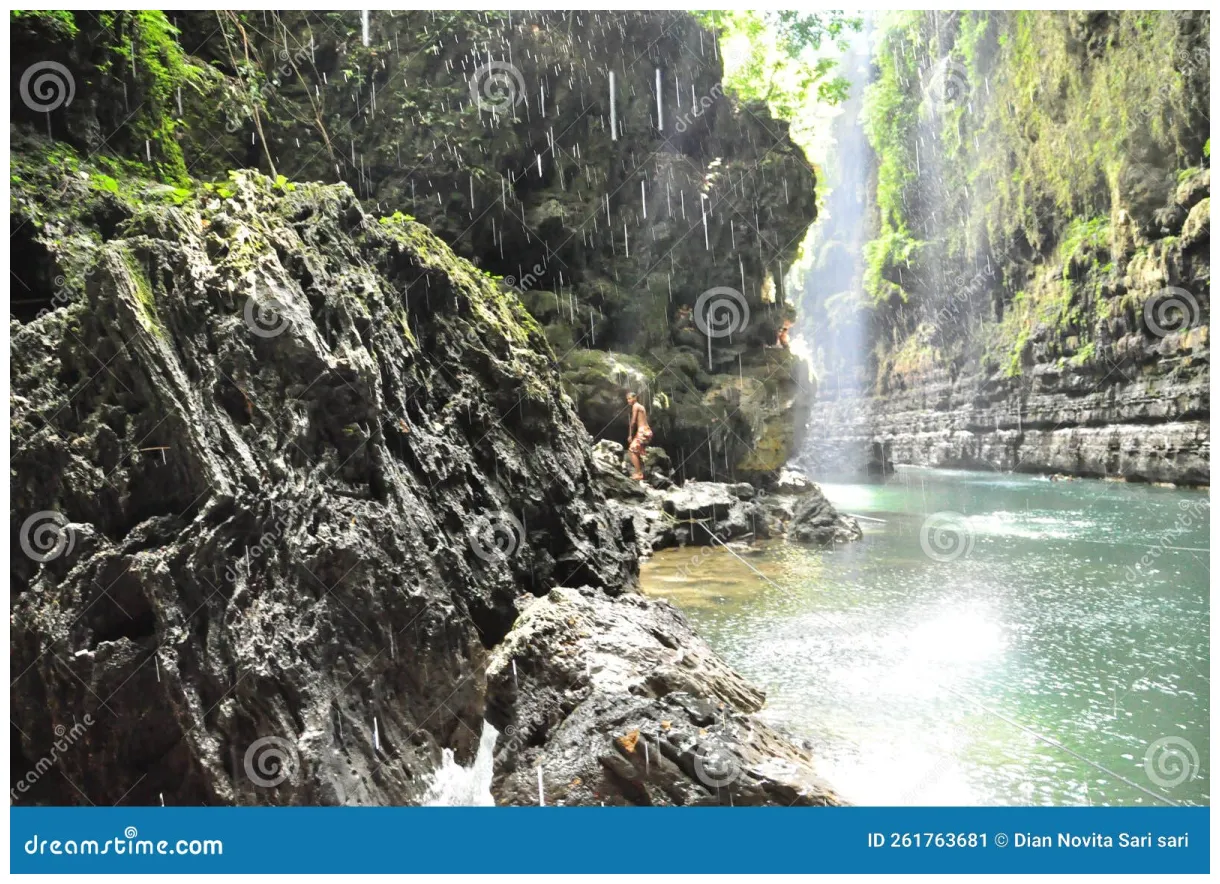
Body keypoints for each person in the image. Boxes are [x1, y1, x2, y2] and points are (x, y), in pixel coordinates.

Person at [625, 391, 652, 481]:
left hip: (643, 431)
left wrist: (630, 435)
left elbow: (633, 422)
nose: (628, 401)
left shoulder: (635, 406)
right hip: (646, 431)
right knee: (637, 452)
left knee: (632, 450)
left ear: (635, 398)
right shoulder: (641, 406)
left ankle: (639, 474)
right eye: (627, 399)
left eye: (629, 398)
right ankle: (642, 472)